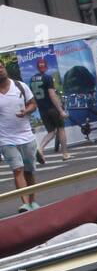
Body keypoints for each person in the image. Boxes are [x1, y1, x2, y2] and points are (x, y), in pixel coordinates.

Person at [0, 61, 40, 212]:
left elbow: (33, 104)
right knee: (17, 169)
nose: (0, 70)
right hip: (5, 139)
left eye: (1, 67)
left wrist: (26, 111)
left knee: (29, 171)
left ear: (4, 68)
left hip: (26, 136)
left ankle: (33, 201)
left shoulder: (20, 86)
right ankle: (25, 203)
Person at [33, 57, 71, 163]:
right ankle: (65, 153)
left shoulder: (32, 79)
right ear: (46, 66)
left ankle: (40, 149)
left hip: (42, 110)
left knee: (51, 132)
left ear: (37, 67)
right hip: (52, 108)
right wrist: (61, 111)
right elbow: (52, 95)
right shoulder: (47, 78)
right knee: (61, 129)